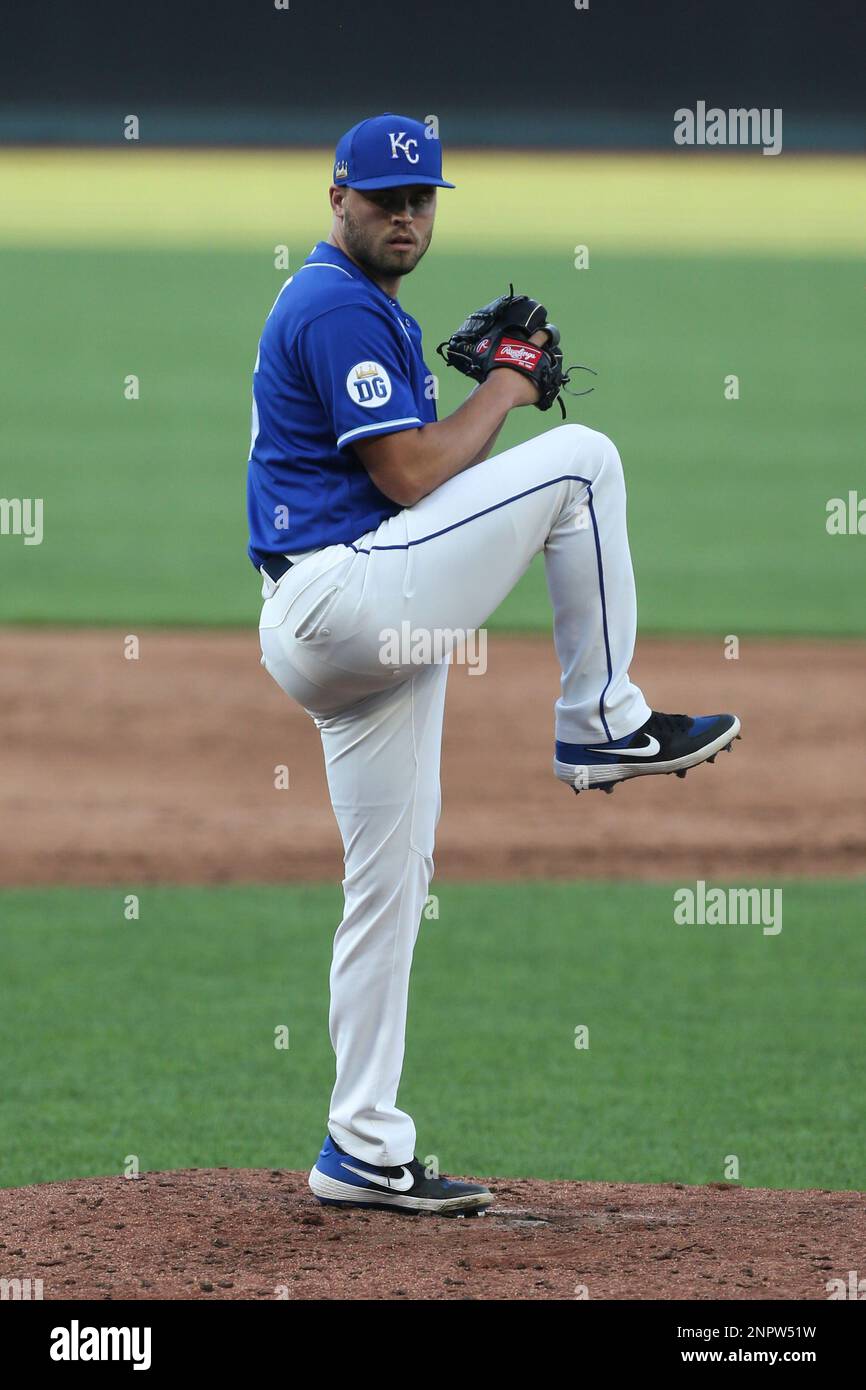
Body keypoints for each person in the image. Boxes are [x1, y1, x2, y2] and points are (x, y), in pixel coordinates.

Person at [246, 113, 740, 1215]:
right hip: (346, 599)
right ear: (337, 199)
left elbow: (411, 485)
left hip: (349, 628)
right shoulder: (332, 305)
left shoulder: (366, 311)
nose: (406, 216)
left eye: (421, 199)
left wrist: (483, 391)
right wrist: (510, 387)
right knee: (581, 462)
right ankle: (601, 717)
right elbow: (418, 477)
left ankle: (360, 1144)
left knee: (388, 885)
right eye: (384, 199)